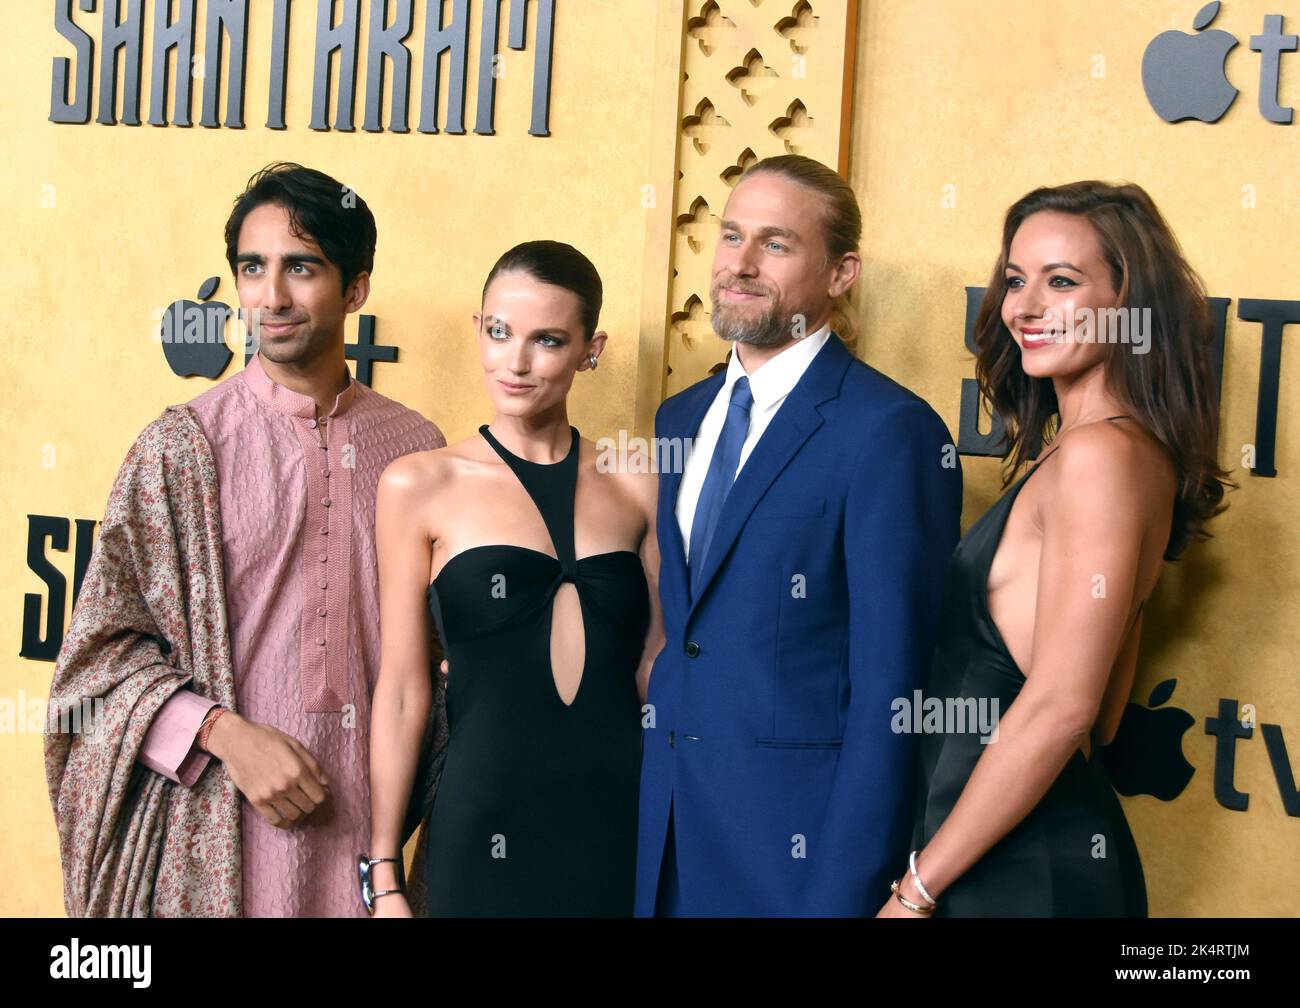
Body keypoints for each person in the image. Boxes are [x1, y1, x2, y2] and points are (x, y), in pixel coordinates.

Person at [45, 162, 446, 917]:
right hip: (217, 839)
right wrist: (220, 731)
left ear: (355, 288)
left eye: (302, 267)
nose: (272, 296)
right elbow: (93, 667)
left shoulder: (419, 450)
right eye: (252, 269)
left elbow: (441, 663)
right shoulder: (183, 449)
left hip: (366, 854)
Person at [885, 181, 1231, 918]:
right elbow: (1101, 716)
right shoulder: (1124, 451)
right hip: (1009, 856)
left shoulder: (1099, 457)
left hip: (1013, 877)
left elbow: (1066, 712)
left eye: (1062, 281)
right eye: (1016, 279)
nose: (1024, 307)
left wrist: (916, 891)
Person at [637, 155, 963, 917]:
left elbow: (894, 691)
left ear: (843, 272)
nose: (740, 265)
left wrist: (844, 891)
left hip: (799, 861)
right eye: (730, 237)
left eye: (776, 245)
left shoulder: (890, 432)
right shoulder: (679, 418)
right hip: (669, 842)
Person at [366, 240, 663, 917]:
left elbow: (657, 665)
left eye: (548, 340)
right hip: (482, 816)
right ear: (478, 329)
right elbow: (405, 687)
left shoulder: (638, 479)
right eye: (499, 332)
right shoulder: (420, 483)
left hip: (618, 816)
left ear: (592, 347)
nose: (516, 362)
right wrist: (383, 870)